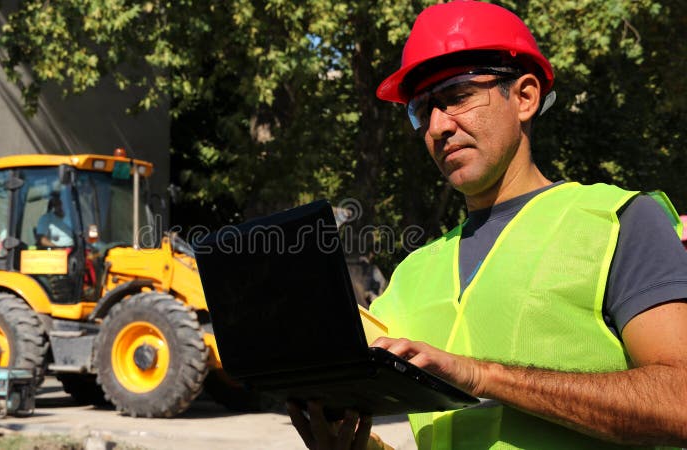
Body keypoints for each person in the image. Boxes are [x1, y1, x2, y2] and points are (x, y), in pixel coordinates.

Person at [288, 1, 687, 449]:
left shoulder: (617, 221)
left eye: (457, 96)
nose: (438, 125)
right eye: (422, 110)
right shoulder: (413, 274)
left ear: (524, 97)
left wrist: (482, 374)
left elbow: (680, 402)